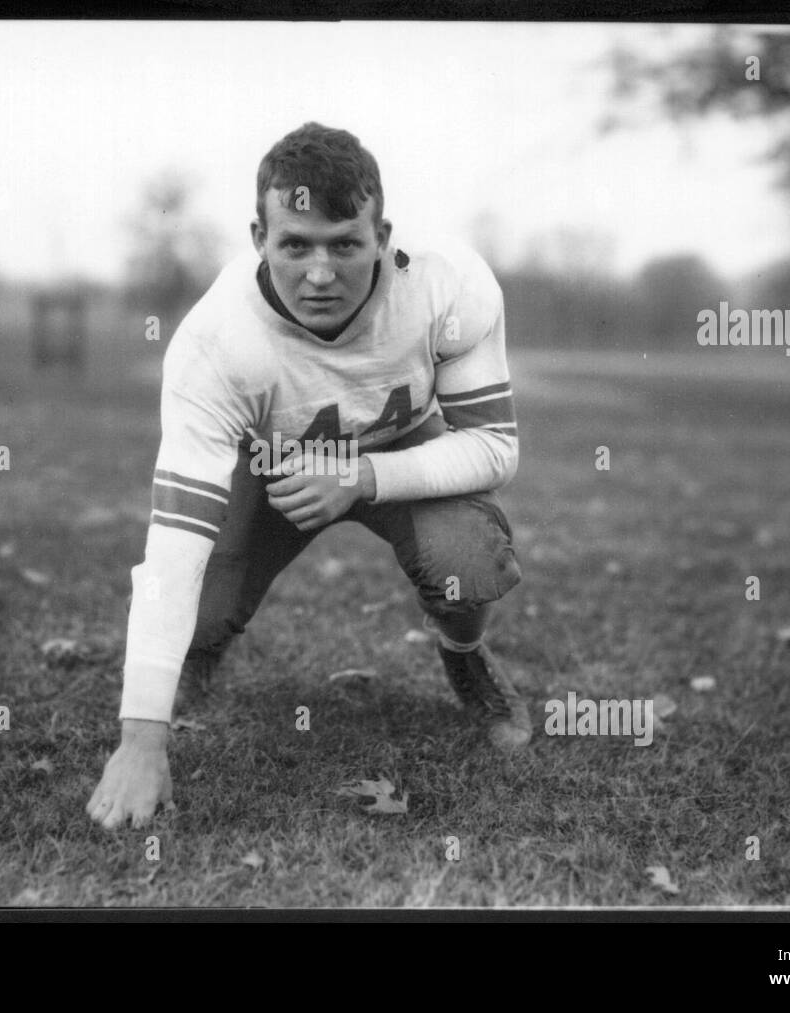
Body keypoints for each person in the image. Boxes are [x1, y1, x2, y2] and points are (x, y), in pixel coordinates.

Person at [88, 122, 529, 830]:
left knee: (467, 563)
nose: (319, 274)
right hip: (270, 466)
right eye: (295, 244)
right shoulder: (214, 342)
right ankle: (202, 650)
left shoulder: (448, 283)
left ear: (382, 235)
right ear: (259, 236)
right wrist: (141, 741)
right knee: (199, 606)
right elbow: (173, 542)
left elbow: (495, 447)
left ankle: (465, 654)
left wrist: (362, 476)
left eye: (344, 245)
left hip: (395, 451)